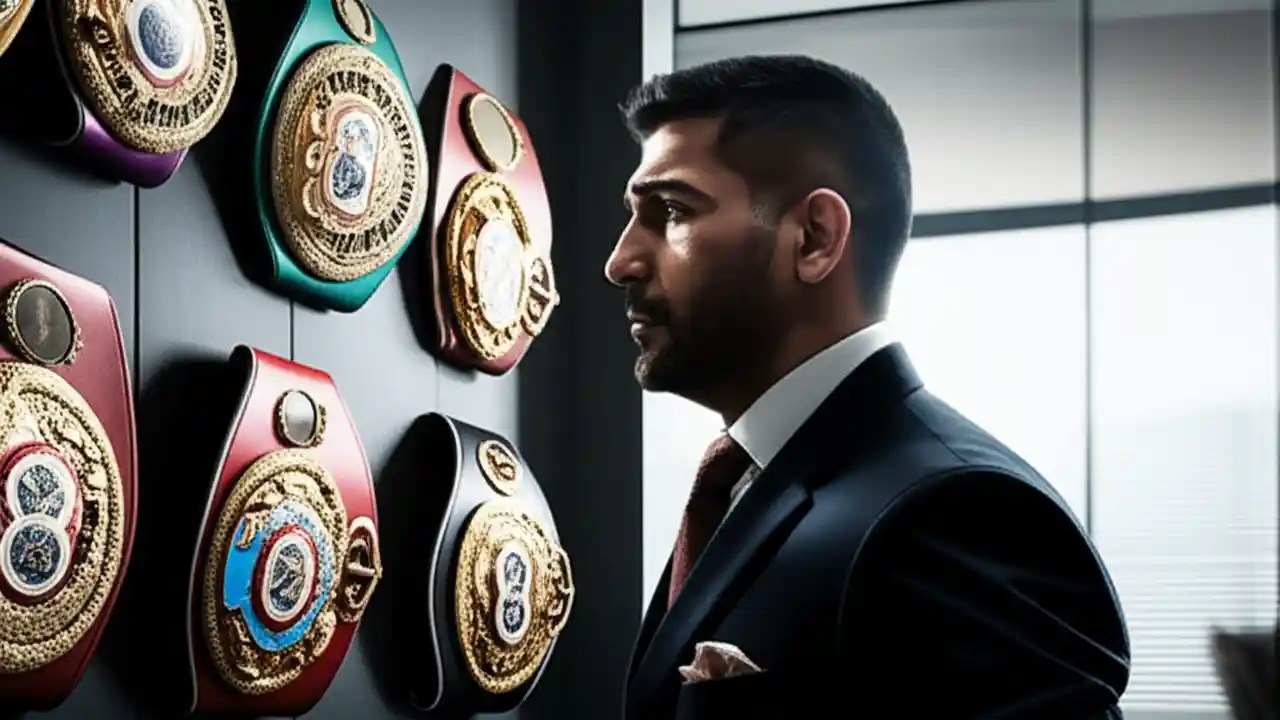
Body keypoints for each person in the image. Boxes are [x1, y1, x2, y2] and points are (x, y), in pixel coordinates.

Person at [606, 55, 1131, 720]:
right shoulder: (745, 483)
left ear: (816, 238)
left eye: (673, 211)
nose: (619, 260)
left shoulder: (960, 515)